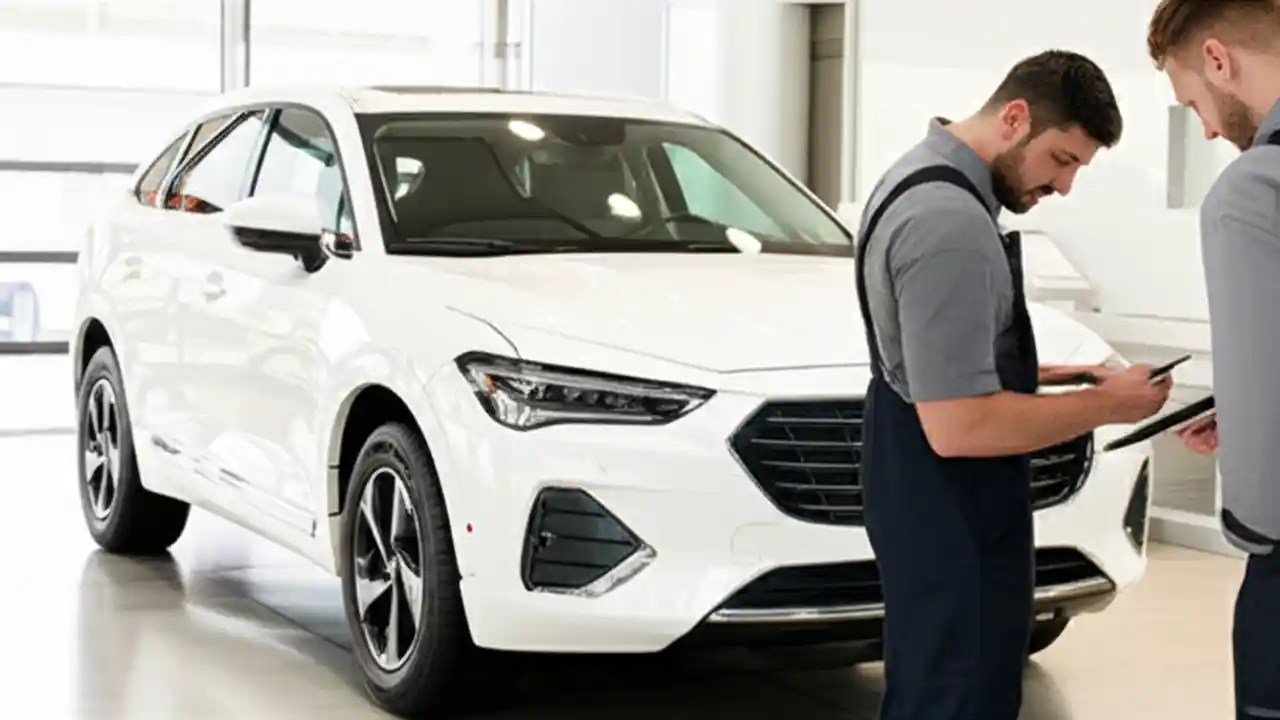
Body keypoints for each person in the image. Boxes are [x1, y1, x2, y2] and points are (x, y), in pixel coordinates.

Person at [854, 50, 1173, 720]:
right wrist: (1106, 406)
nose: (1063, 187)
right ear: (1016, 118)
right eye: (1061, 160)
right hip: (953, 503)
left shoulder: (913, 177)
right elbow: (959, 424)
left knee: (933, 684)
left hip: (919, 489)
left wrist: (1073, 375)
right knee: (957, 696)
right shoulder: (951, 224)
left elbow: (932, 358)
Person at [1147, 1, 1280, 717]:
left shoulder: (1254, 190)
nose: (1203, 126)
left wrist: (1249, 520)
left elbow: (1265, 504)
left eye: (1193, 101)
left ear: (1221, 60)